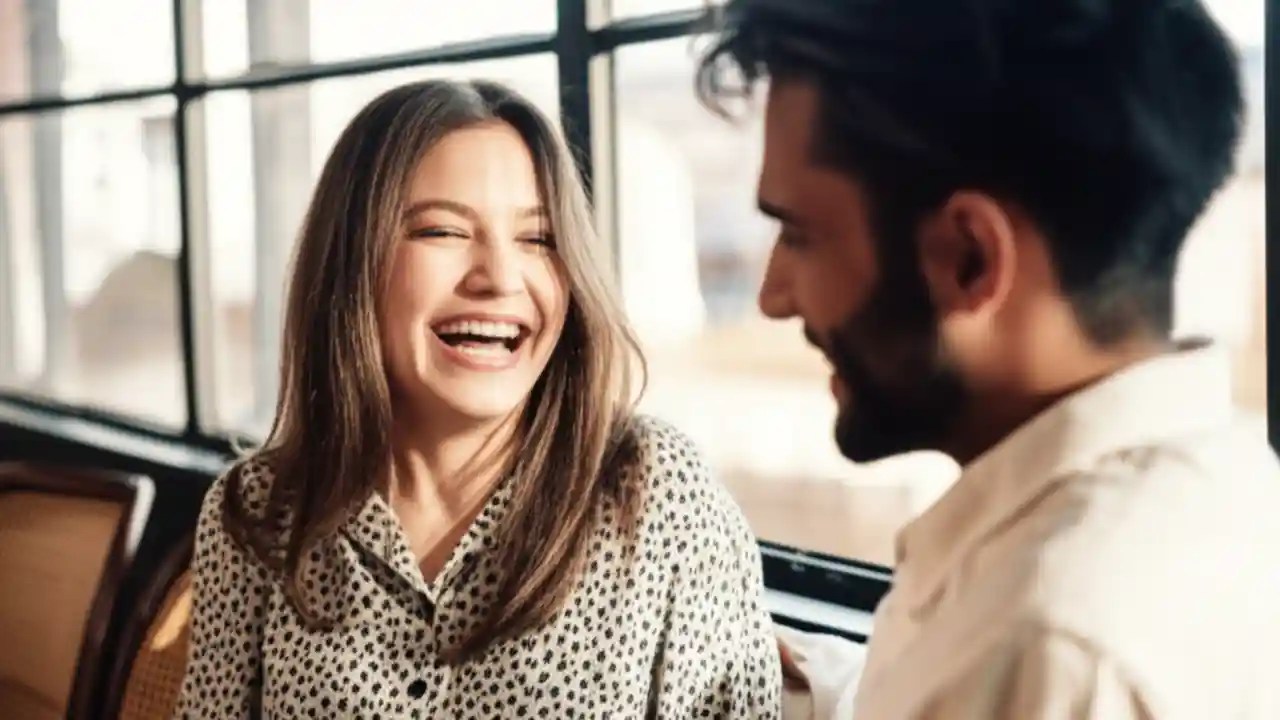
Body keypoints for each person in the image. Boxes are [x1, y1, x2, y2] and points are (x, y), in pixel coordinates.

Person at [697, 0, 1280, 717]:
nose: (772, 298)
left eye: (800, 235)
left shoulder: (1044, 651)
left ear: (969, 258)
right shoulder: (1233, 488)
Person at [174, 79, 781, 719]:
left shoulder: (658, 498)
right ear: (352, 263)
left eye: (539, 239)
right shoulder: (257, 511)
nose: (498, 277)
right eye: (442, 231)